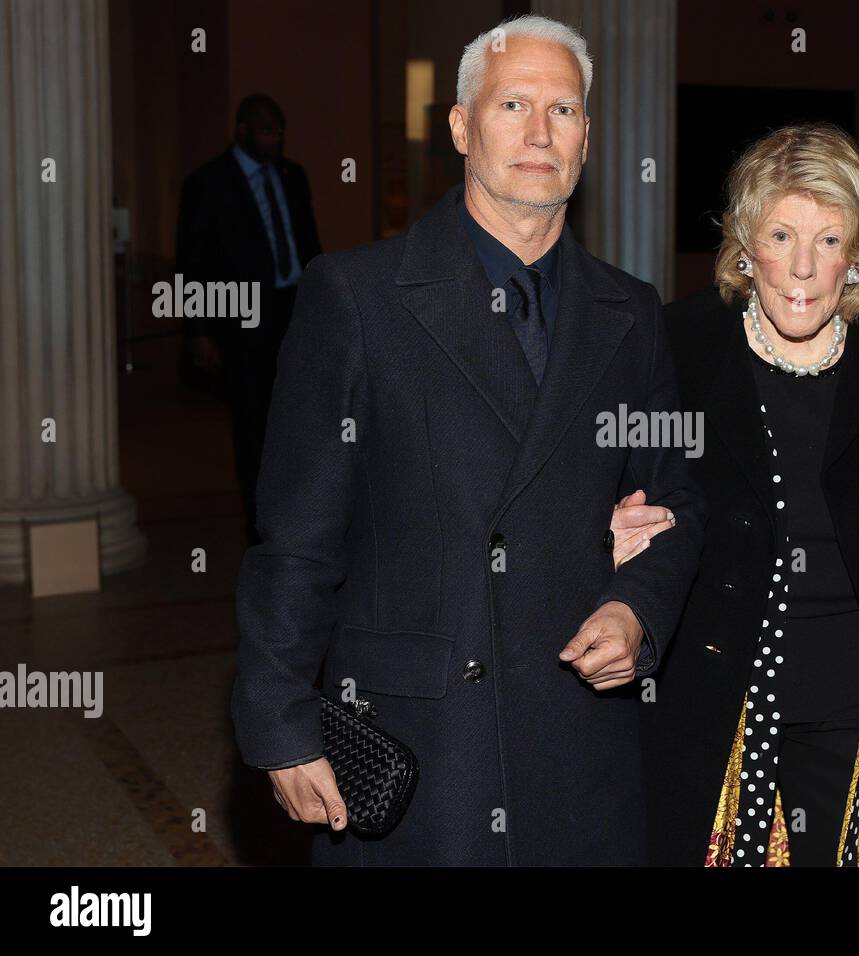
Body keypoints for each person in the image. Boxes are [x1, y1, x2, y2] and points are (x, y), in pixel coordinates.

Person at [229, 15, 705, 865]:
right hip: (426, 737)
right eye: (511, 104)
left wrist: (639, 607)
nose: (538, 132)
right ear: (459, 125)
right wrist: (277, 718)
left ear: (588, 139)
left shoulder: (629, 311)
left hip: (579, 736)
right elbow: (297, 538)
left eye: (563, 111)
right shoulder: (359, 298)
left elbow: (675, 498)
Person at [627, 123, 859, 865]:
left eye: (828, 241)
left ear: (858, 253)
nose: (801, 270)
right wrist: (605, 527)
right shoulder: (677, 348)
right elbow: (605, 490)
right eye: (780, 235)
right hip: (712, 705)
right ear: (745, 242)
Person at [176, 94, 323, 544]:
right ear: (241, 130)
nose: (275, 139)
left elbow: (310, 246)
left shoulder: (292, 176)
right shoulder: (208, 183)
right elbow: (191, 261)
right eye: (265, 131)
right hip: (240, 318)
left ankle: (301, 511)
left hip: (294, 312)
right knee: (253, 422)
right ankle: (262, 522)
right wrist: (199, 331)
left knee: (300, 417)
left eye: (279, 131)